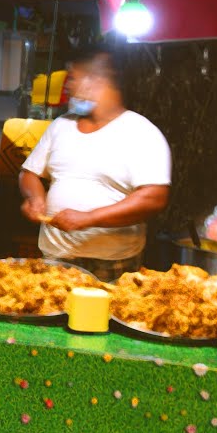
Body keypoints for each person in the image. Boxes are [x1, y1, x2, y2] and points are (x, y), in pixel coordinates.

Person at [18, 49, 171, 282]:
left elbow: (154, 198)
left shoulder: (141, 132)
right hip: (55, 258)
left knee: (102, 318)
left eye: (72, 77)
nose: (67, 86)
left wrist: (89, 218)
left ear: (96, 81)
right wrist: (35, 197)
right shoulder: (61, 126)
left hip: (112, 262)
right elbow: (29, 173)